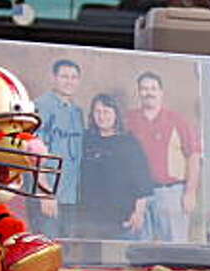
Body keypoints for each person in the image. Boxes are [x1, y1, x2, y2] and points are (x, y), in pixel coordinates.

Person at [125, 71, 202, 242]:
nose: (149, 92)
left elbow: (194, 156)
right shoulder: (129, 120)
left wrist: (190, 192)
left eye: (153, 88)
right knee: (138, 250)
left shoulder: (177, 120)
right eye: (144, 89)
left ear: (161, 92)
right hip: (137, 196)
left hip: (170, 193)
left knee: (175, 250)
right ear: (138, 92)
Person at [76, 93, 153, 242]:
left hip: (123, 218)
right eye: (97, 112)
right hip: (91, 221)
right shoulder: (86, 139)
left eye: (106, 112)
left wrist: (139, 213)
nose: (102, 116)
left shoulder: (129, 142)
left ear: (116, 114)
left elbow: (142, 181)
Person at [30, 58, 84, 238]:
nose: (69, 81)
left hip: (70, 196)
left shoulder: (77, 112)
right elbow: (33, 153)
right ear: (54, 78)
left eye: (74, 77)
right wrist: (45, 193)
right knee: (47, 250)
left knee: (66, 252)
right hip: (48, 194)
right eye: (64, 76)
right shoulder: (41, 106)